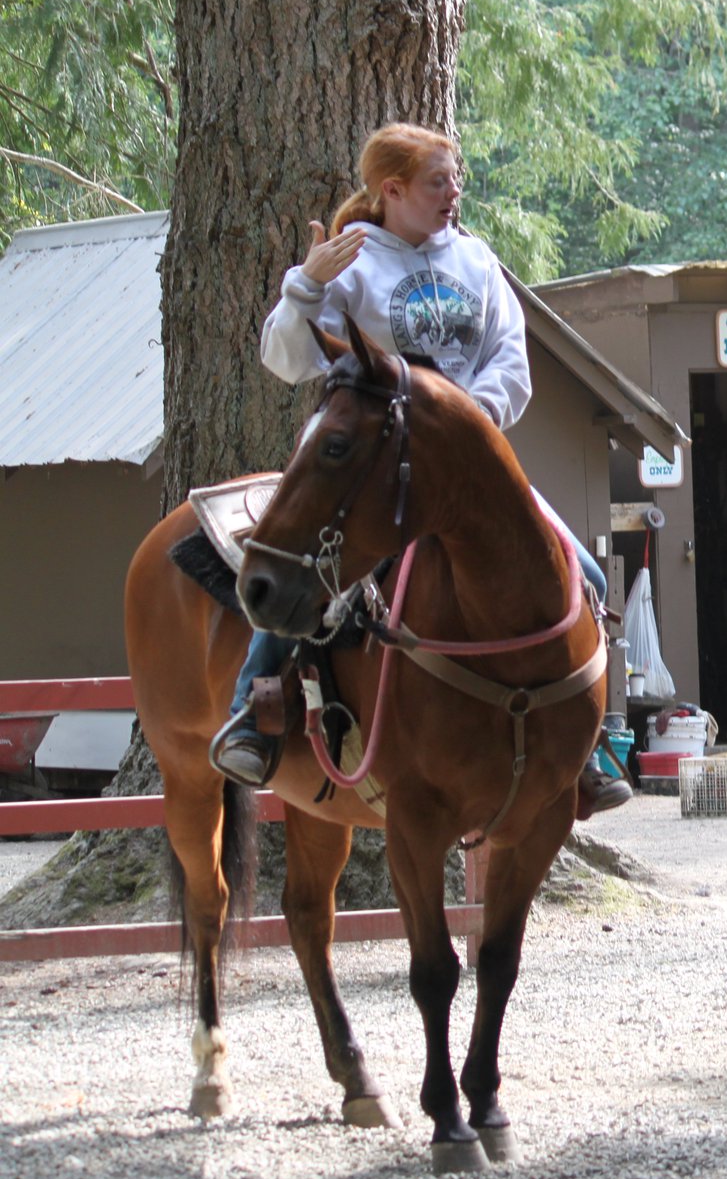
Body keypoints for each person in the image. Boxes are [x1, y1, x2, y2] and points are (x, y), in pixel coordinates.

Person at [210, 122, 631, 817]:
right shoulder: (349, 261)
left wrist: (464, 426)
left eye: (456, 176)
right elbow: (286, 360)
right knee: (310, 572)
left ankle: (583, 747)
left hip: (473, 469)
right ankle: (250, 714)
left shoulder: (477, 260)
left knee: (582, 571)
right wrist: (304, 288)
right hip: (376, 471)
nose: (454, 191)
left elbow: (512, 364)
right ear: (393, 190)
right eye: (439, 180)